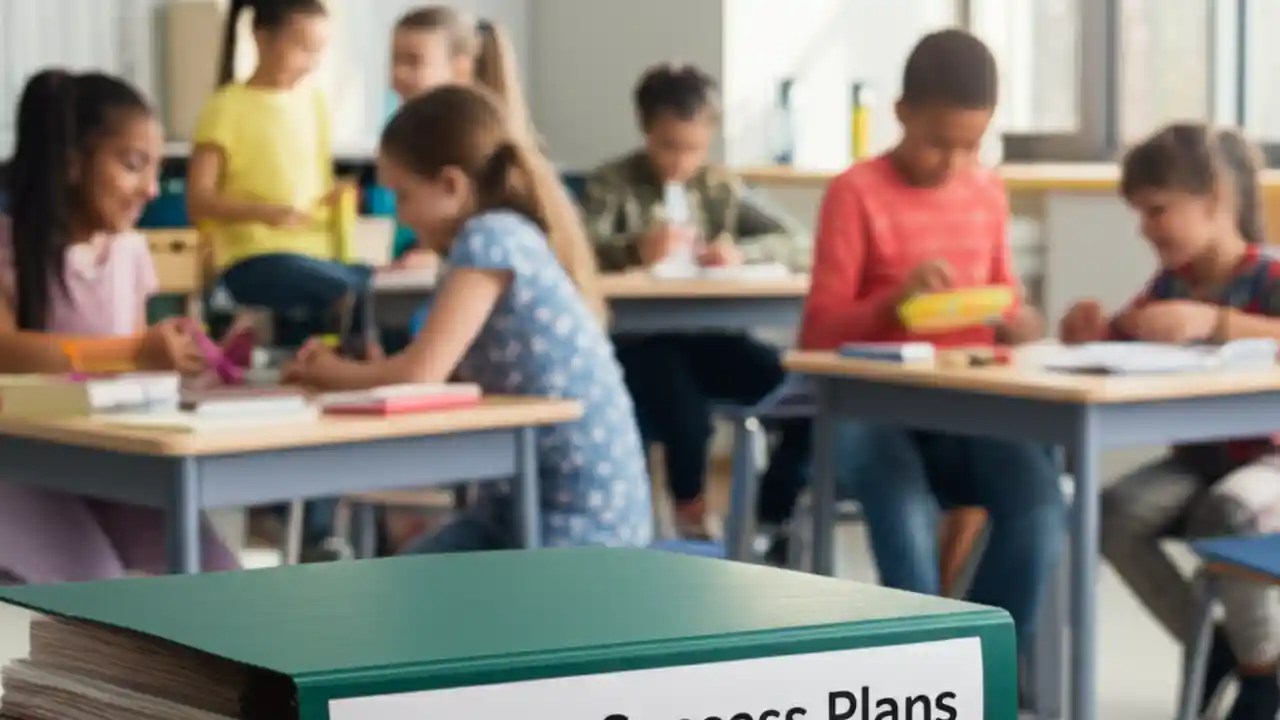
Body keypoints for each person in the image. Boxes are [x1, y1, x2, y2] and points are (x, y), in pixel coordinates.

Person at [285, 85, 652, 551]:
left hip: (576, 525)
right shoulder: (497, 239)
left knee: (409, 597)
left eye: (403, 196)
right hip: (515, 510)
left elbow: (421, 375)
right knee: (402, 591)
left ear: (452, 186)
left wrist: (333, 373)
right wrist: (371, 371)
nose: (400, 217)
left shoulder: (490, 238)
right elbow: (444, 373)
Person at [798, 29, 1062, 665]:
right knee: (900, 502)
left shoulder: (986, 190)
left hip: (969, 402)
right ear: (902, 114)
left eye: (970, 147)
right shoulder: (855, 193)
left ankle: (981, 665)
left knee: (1039, 505)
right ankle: (920, 664)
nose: (952, 164)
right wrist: (894, 302)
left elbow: (1003, 302)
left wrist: (1022, 325)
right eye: (938, 143)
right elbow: (818, 334)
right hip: (873, 406)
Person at [1063, 124, 1280, 720]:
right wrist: (1094, 333)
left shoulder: (1268, 276)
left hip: (1269, 463)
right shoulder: (1170, 284)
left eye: (1159, 210)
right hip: (1200, 461)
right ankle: (1213, 646)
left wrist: (1216, 323)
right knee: (1110, 514)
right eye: (1140, 214)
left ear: (1214, 200)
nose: (1146, 228)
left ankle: (1264, 674)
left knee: (1226, 513)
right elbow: (1128, 339)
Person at [0, 70, 239, 583]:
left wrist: (190, 366)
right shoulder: (7, 242)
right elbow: (7, 350)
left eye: (157, 168)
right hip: (18, 467)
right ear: (71, 161)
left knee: (220, 578)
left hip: (108, 459)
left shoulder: (129, 250)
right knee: (96, 592)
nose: (151, 189)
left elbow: (135, 377)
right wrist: (134, 351)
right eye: (132, 165)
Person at [582, 63, 811, 540]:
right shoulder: (610, 185)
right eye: (668, 146)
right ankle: (689, 509)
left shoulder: (719, 187)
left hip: (710, 336)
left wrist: (737, 252)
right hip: (640, 340)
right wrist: (635, 249)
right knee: (683, 406)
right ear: (646, 130)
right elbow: (579, 247)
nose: (680, 161)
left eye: (693, 148)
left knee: (802, 394)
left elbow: (796, 239)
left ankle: (768, 523)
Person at [188, 0, 371, 352]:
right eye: (302, 48)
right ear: (262, 38)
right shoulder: (226, 108)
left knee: (375, 286)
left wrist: (335, 197)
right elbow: (199, 201)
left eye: (318, 52)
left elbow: (315, 184)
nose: (311, 63)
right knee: (344, 291)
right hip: (253, 259)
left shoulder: (314, 103)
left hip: (317, 258)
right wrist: (265, 213)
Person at [387, 6, 532, 268]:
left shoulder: (477, 147)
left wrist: (438, 258)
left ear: (460, 69)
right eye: (394, 61)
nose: (397, 75)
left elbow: (492, 243)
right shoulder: (405, 139)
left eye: (413, 61)